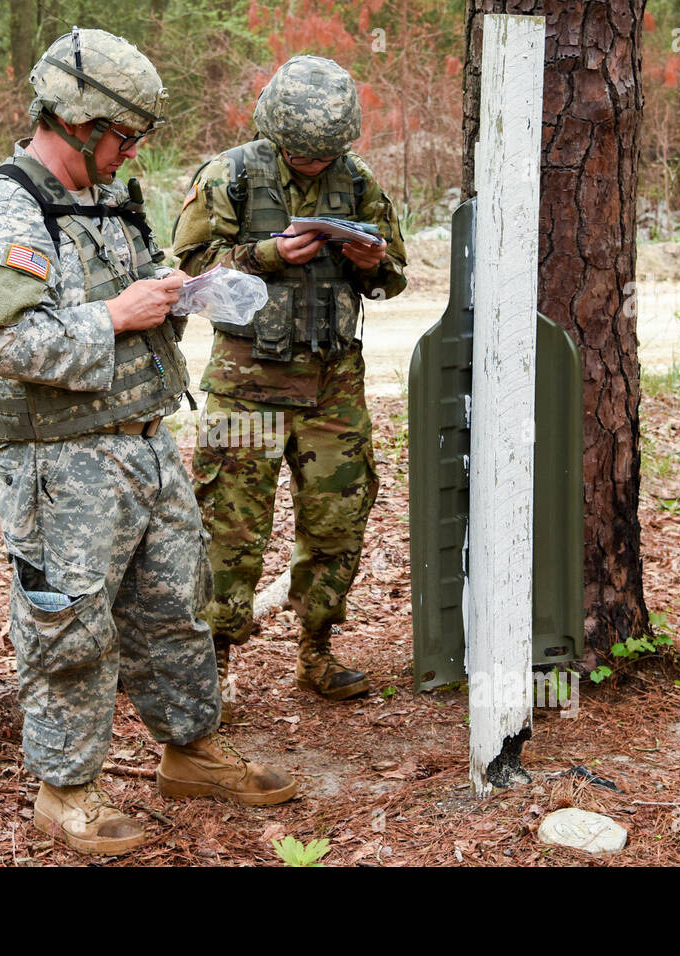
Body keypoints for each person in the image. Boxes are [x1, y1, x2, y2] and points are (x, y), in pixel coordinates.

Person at [0, 27, 295, 856]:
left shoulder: (108, 199)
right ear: (76, 121)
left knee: (176, 608)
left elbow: (136, 292)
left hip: (145, 446)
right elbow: (8, 343)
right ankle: (65, 791)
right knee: (72, 630)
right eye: (123, 137)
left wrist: (181, 293)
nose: (129, 152)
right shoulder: (8, 213)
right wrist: (114, 315)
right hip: (61, 466)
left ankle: (191, 750)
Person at [171, 55, 407, 714]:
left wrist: (372, 261)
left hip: (333, 385)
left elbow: (393, 279)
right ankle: (211, 662)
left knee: (338, 520)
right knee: (229, 527)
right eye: (302, 154)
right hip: (248, 385)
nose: (313, 163)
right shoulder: (231, 176)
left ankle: (316, 650)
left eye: (323, 154)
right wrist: (265, 255)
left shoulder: (357, 181)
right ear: (276, 132)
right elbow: (187, 280)